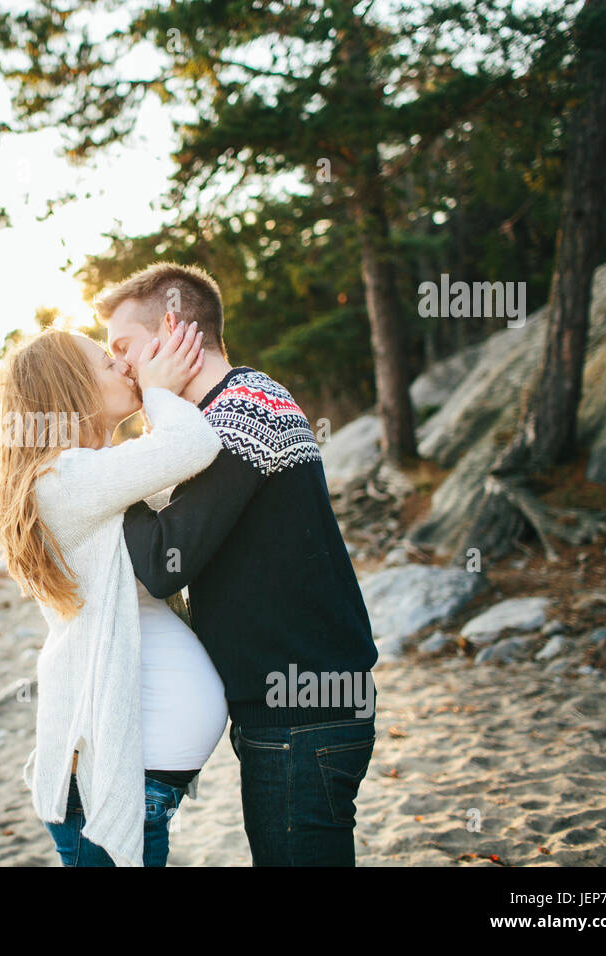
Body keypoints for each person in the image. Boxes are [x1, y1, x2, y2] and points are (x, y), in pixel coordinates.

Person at [99, 261, 380, 866]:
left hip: (304, 715)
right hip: (297, 707)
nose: (118, 363)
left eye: (124, 347)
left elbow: (162, 561)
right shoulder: (226, 412)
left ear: (173, 331)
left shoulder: (244, 413)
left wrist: (98, 477)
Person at [0, 319, 229, 867]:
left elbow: (173, 467)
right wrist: (161, 393)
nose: (123, 364)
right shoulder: (65, 478)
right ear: (70, 389)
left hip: (129, 789)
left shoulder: (85, 475)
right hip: (108, 793)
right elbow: (190, 444)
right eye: (105, 360)